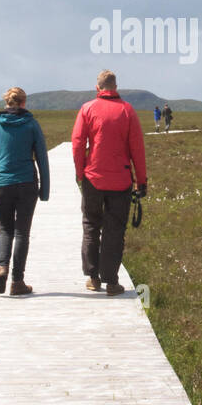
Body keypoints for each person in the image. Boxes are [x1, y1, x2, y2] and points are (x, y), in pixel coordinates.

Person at [72, 70, 147, 296]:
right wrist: (141, 180)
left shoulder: (87, 109)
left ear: (98, 88)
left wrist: (80, 172)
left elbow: (77, 143)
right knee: (115, 230)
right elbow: (137, 149)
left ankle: (93, 278)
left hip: (93, 177)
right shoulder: (127, 110)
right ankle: (112, 282)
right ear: (115, 87)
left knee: (91, 225)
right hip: (121, 180)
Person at [0, 86, 50, 296]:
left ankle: (2, 268)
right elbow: (42, 158)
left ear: (7, 102)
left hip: (2, 183)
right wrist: (45, 189)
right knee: (22, 232)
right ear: (23, 103)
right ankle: (17, 281)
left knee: (5, 229)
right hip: (27, 183)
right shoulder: (31, 124)